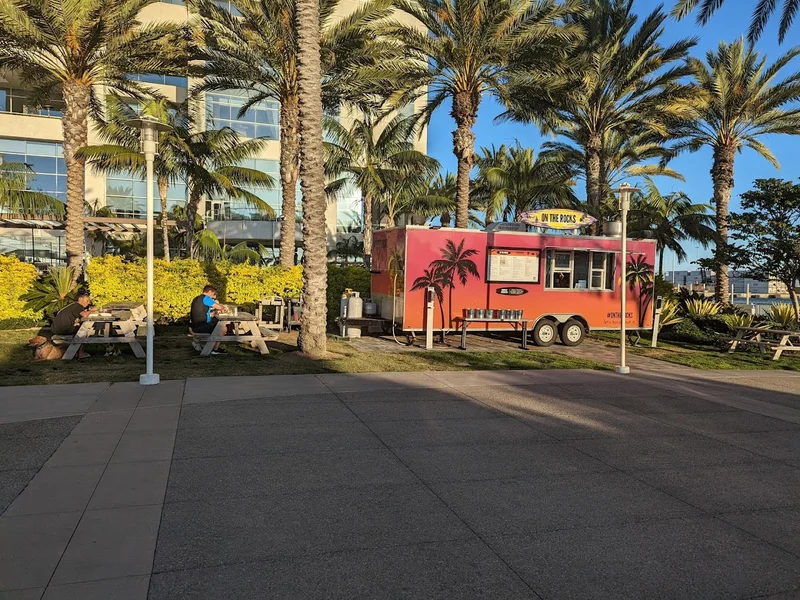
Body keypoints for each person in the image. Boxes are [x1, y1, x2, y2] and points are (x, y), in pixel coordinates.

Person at [52, 290, 94, 358]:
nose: (89, 303)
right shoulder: (78, 306)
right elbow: (85, 315)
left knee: (80, 328)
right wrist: (91, 310)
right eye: (87, 300)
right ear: (81, 299)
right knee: (82, 331)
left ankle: (78, 351)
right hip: (63, 329)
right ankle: (80, 353)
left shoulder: (72, 305)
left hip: (57, 328)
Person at [190, 285, 228, 354]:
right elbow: (219, 307)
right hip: (201, 326)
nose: (213, 296)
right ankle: (215, 349)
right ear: (210, 292)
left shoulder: (196, 298)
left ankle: (203, 343)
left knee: (216, 323)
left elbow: (202, 312)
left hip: (194, 325)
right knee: (223, 328)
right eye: (213, 294)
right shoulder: (206, 298)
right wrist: (224, 308)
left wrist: (214, 312)